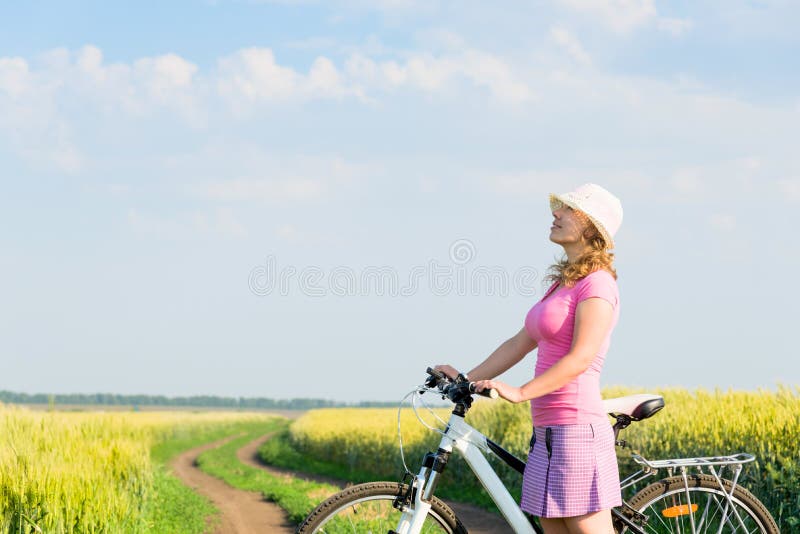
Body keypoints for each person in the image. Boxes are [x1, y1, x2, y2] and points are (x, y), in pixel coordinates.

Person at [436, 183, 624, 534]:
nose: (556, 214)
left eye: (569, 210)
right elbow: (518, 344)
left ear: (592, 227)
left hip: (577, 430)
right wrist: (464, 379)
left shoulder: (597, 285)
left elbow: (581, 357)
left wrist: (521, 392)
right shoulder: (562, 285)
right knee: (550, 528)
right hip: (546, 431)